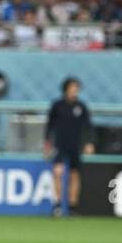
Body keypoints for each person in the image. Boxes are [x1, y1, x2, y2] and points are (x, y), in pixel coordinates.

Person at [44, 77, 95, 216]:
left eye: (77, 89)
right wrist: (48, 143)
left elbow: (88, 127)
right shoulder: (57, 106)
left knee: (74, 174)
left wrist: (89, 143)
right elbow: (49, 126)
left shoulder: (81, 107)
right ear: (66, 89)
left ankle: (73, 206)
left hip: (75, 145)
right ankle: (58, 205)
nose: (75, 91)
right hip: (60, 145)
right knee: (58, 172)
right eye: (72, 88)